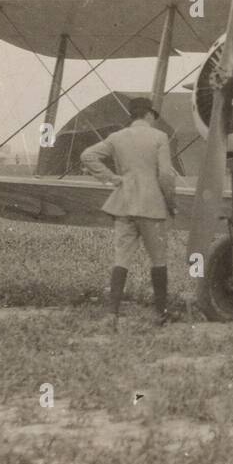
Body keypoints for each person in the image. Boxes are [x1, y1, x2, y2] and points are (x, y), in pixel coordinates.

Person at [81, 97, 178, 325]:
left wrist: (113, 178)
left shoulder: (117, 137)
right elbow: (165, 175)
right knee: (158, 259)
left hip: (124, 202)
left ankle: (112, 314)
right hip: (152, 205)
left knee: (121, 258)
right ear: (148, 115)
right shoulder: (159, 137)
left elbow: (87, 156)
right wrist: (171, 202)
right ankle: (160, 313)